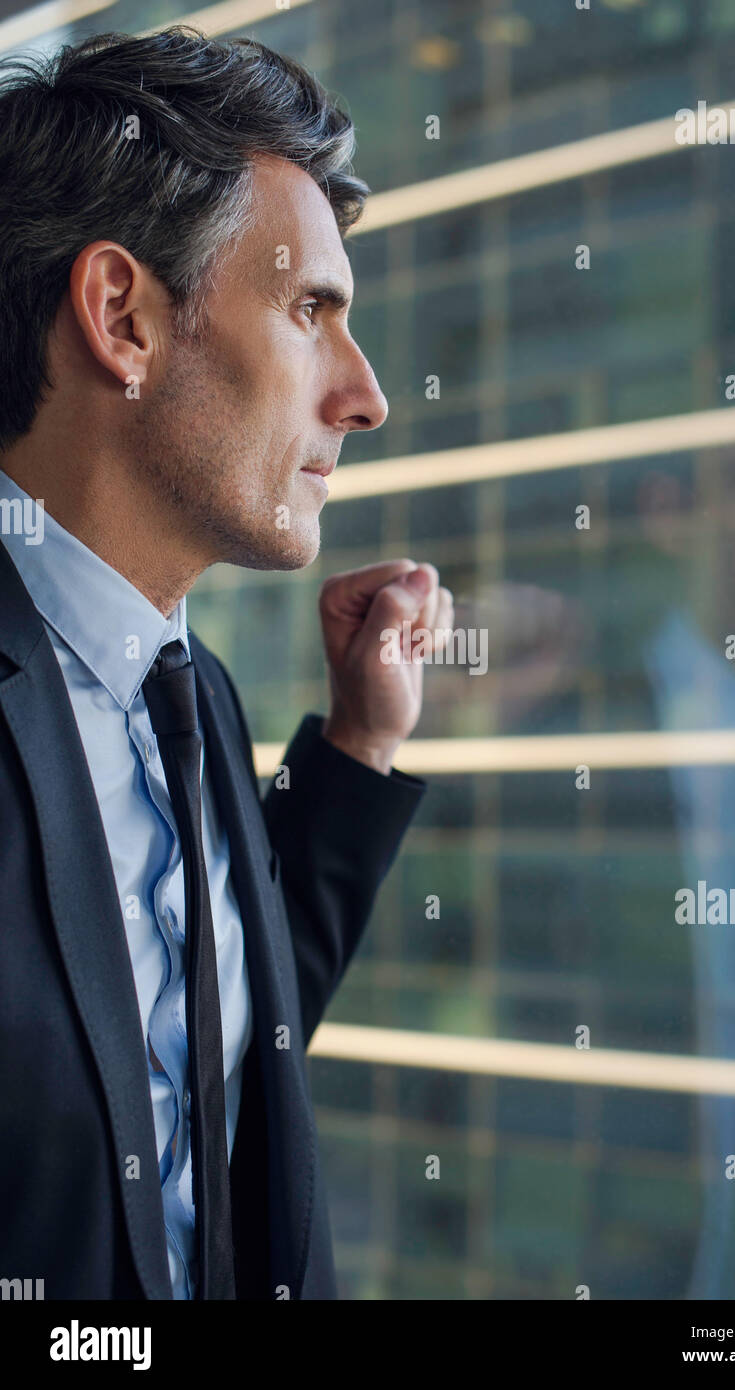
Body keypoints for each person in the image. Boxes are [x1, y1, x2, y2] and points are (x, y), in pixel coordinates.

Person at [0, 26, 453, 1301]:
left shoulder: (188, 690)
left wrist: (358, 747)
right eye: (311, 310)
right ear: (123, 319)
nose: (365, 396)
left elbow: (200, 1050)